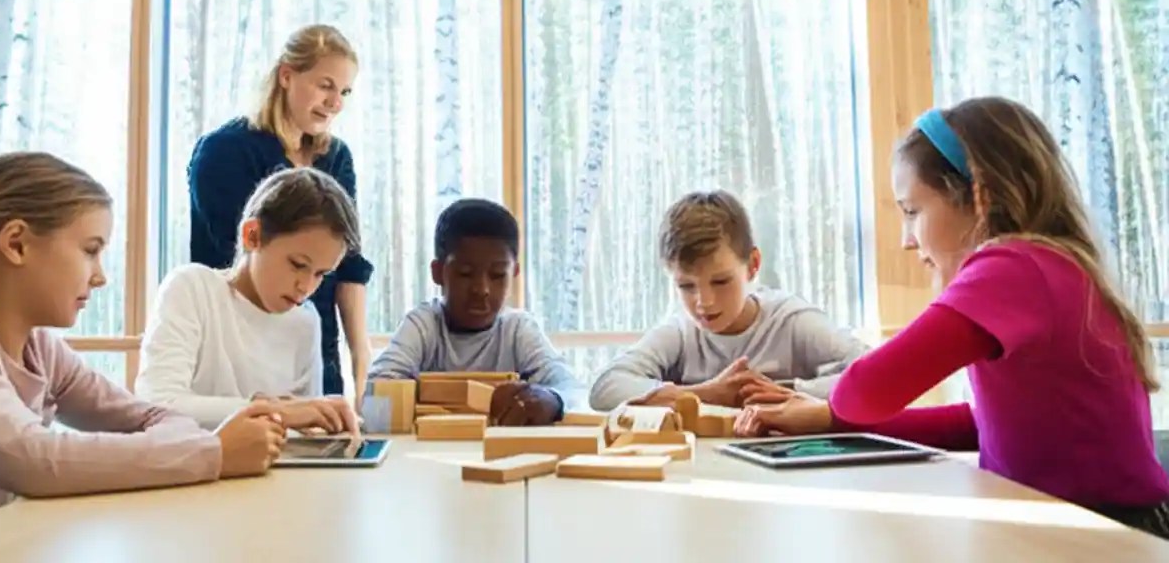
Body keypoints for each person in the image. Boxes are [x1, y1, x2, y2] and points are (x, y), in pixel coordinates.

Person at [735, 97, 1169, 539]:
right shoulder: (1053, 266)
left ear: (980, 195)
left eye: (912, 211)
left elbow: (864, 392)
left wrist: (838, 409)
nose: (907, 240)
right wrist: (828, 418)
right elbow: (980, 424)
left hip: (1104, 537)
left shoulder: (1011, 267)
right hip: (1108, 525)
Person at [0, 152, 284, 548]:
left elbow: (152, 416)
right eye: (90, 250)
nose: (100, 276)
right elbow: (32, 459)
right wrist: (211, 453)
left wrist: (195, 447)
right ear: (16, 244)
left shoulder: (40, 350)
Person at [189, 24, 373, 405]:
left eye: (345, 92)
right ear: (287, 76)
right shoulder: (223, 151)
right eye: (325, 85)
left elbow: (349, 265)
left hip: (313, 345)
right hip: (235, 351)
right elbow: (238, 259)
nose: (336, 102)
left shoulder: (336, 158)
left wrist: (361, 358)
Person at [589, 190, 868, 411]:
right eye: (686, 286)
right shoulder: (681, 332)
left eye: (721, 282)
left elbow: (874, 373)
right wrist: (705, 394)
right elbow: (604, 388)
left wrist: (790, 391)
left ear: (752, 265)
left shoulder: (791, 321)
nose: (704, 302)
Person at [137, 168, 360, 434]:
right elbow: (157, 404)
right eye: (298, 264)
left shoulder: (304, 321)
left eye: (321, 274)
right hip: (195, 471)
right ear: (252, 235)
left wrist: (325, 420)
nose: (307, 287)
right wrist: (274, 410)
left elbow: (302, 430)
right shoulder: (192, 289)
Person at [368, 199, 583, 425]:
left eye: (498, 275)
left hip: (502, 456)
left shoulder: (518, 330)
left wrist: (552, 399)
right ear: (438, 272)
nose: (481, 289)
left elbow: (573, 390)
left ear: (515, 273)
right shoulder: (424, 326)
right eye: (465, 273)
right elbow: (378, 390)